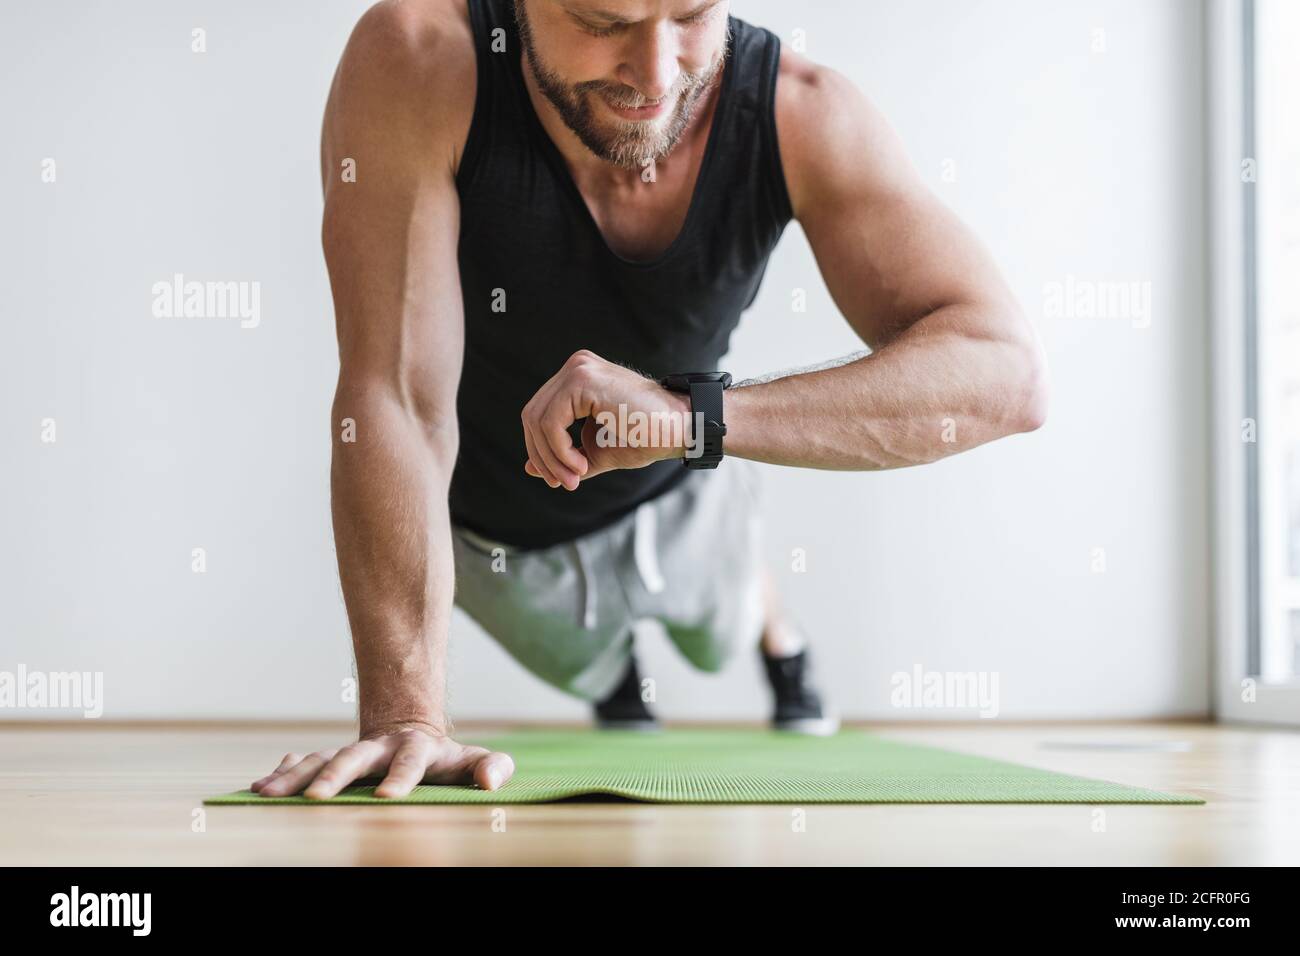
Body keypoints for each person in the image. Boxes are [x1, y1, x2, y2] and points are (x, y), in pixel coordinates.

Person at [251, 0, 1048, 800]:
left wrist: (692, 419)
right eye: (603, 21)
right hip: (498, 549)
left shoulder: (804, 111)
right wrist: (406, 718)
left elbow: (1005, 373)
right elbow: (393, 399)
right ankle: (620, 675)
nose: (658, 76)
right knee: (594, 666)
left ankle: (780, 635)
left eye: (694, 14)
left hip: (689, 495)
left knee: (720, 637)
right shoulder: (417, 57)